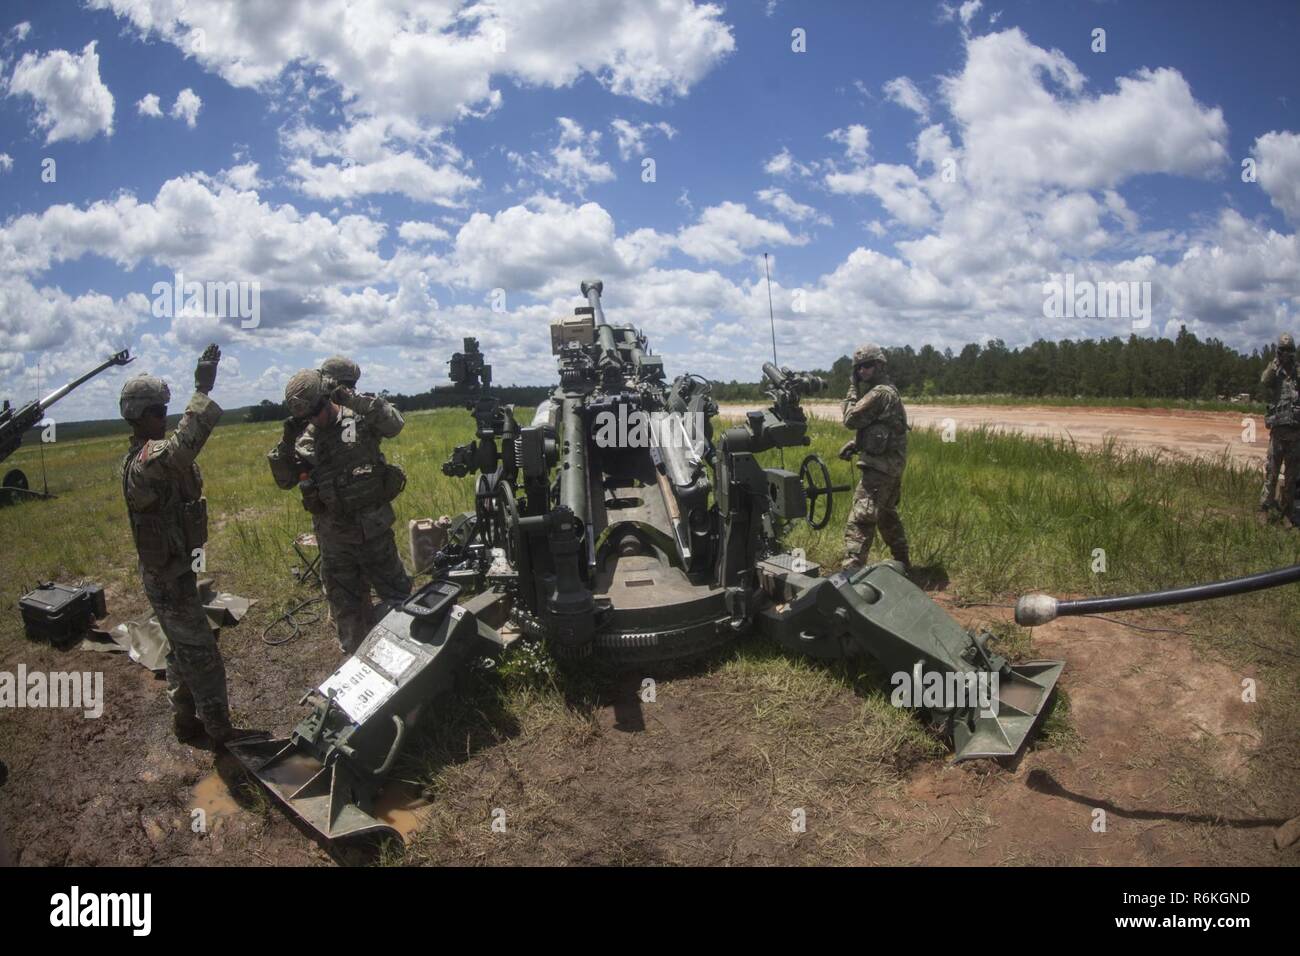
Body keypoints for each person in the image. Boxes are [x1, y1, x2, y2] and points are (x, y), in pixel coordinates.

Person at [119, 344, 261, 746]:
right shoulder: (147, 461)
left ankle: (184, 721)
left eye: (165, 410)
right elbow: (184, 446)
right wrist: (202, 388)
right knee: (204, 656)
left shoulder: (154, 455)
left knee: (182, 650)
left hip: (176, 570)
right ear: (137, 415)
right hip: (168, 577)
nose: (163, 417)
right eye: (157, 411)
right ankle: (221, 734)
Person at [267, 369, 412, 652]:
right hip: (335, 541)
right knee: (349, 617)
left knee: (400, 602)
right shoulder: (304, 439)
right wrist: (286, 442)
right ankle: (359, 668)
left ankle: (413, 659)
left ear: (328, 396)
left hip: (375, 533)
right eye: (308, 415)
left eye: (319, 408)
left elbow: (394, 424)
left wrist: (351, 398)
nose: (316, 418)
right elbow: (284, 481)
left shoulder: (357, 419)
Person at [840, 342, 911, 574]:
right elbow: (882, 428)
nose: (862, 372)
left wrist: (852, 389)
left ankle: (850, 574)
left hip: (880, 470)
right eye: (858, 368)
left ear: (880, 365)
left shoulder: (879, 393)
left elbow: (851, 419)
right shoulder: (889, 391)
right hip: (891, 466)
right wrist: (857, 444)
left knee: (860, 520)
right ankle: (903, 563)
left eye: (867, 366)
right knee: (885, 516)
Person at [1259, 332, 1299, 525]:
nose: (1287, 355)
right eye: (1283, 351)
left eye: (1289, 351)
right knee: (1272, 473)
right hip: (1278, 433)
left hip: (1295, 434)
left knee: (1292, 476)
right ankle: (1265, 508)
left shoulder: (1298, 373)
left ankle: (1287, 512)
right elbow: (1264, 382)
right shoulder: (1275, 373)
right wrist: (1275, 363)